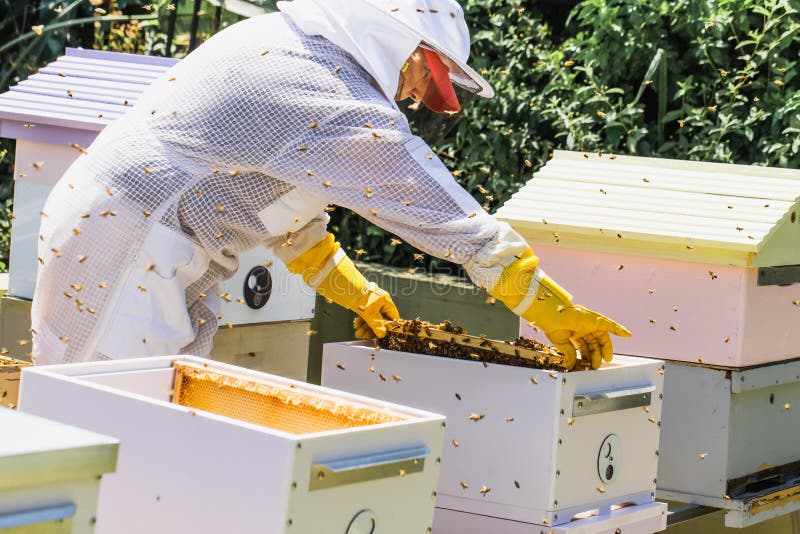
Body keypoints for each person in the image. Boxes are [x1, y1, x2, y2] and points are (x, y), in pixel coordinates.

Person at [31, 0, 629, 369]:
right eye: (426, 76)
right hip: (127, 244)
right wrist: (542, 302)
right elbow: (437, 211)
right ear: (400, 41)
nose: (417, 96)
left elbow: (281, 208)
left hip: (151, 244)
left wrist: (355, 292)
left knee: (154, 418)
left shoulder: (306, 58)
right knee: (106, 425)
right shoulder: (321, 81)